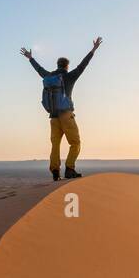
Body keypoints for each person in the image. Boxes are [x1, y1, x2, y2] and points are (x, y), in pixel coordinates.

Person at [20, 37, 102, 180]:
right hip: (66, 115)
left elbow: (39, 70)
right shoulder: (69, 76)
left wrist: (30, 58)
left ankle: (55, 171)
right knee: (75, 143)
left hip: (53, 117)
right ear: (66, 66)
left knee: (55, 145)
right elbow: (83, 65)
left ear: (57, 65)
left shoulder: (49, 76)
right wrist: (93, 50)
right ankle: (70, 168)